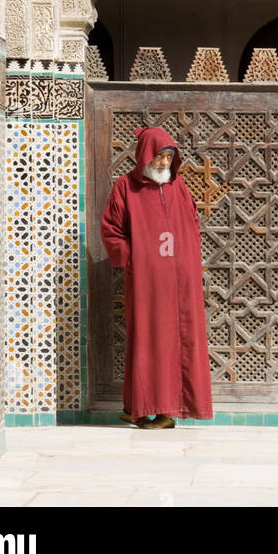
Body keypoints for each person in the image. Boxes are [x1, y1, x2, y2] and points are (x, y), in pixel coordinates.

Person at [100, 125, 213, 429]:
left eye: (168, 157)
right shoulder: (126, 187)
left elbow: (192, 224)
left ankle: (167, 410)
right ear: (144, 156)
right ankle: (143, 407)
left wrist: (187, 260)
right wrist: (135, 260)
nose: (164, 163)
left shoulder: (178, 186)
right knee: (149, 340)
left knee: (181, 340)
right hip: (147, 285)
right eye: (159, 156)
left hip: (182, 284)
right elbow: (111, 230)